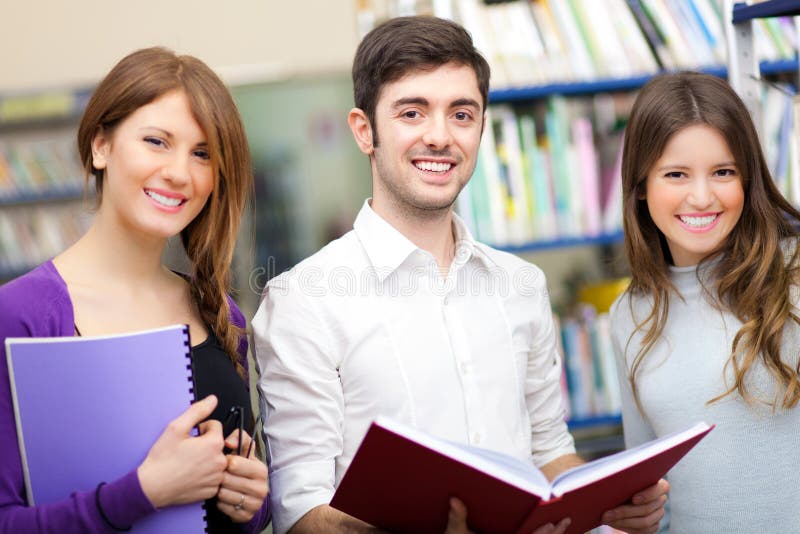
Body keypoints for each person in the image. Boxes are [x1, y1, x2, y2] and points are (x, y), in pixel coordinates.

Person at [254, 16, 667, 534]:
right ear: (365, 131)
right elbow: (302, 515)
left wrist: (609, 502)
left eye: (461, 114)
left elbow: (549, 451)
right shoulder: (303, 300)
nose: (440, 136)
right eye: (412, 112)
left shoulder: (522, 285)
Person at [0, 47, 270, 533]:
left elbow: (237, 513)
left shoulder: (221, 313)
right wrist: (144, 493)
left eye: (202, 153)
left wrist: (251, 500)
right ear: (101, 147)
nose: (179, 172)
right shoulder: (20, 315)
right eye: (156, 141)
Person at [611, 71, 800, 533]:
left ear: (747, 179)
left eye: (723, 172)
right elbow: (648, 490)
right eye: (676, 174)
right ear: (640, 186)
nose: (702, 197)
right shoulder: (628, 315)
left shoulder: (794, 271)